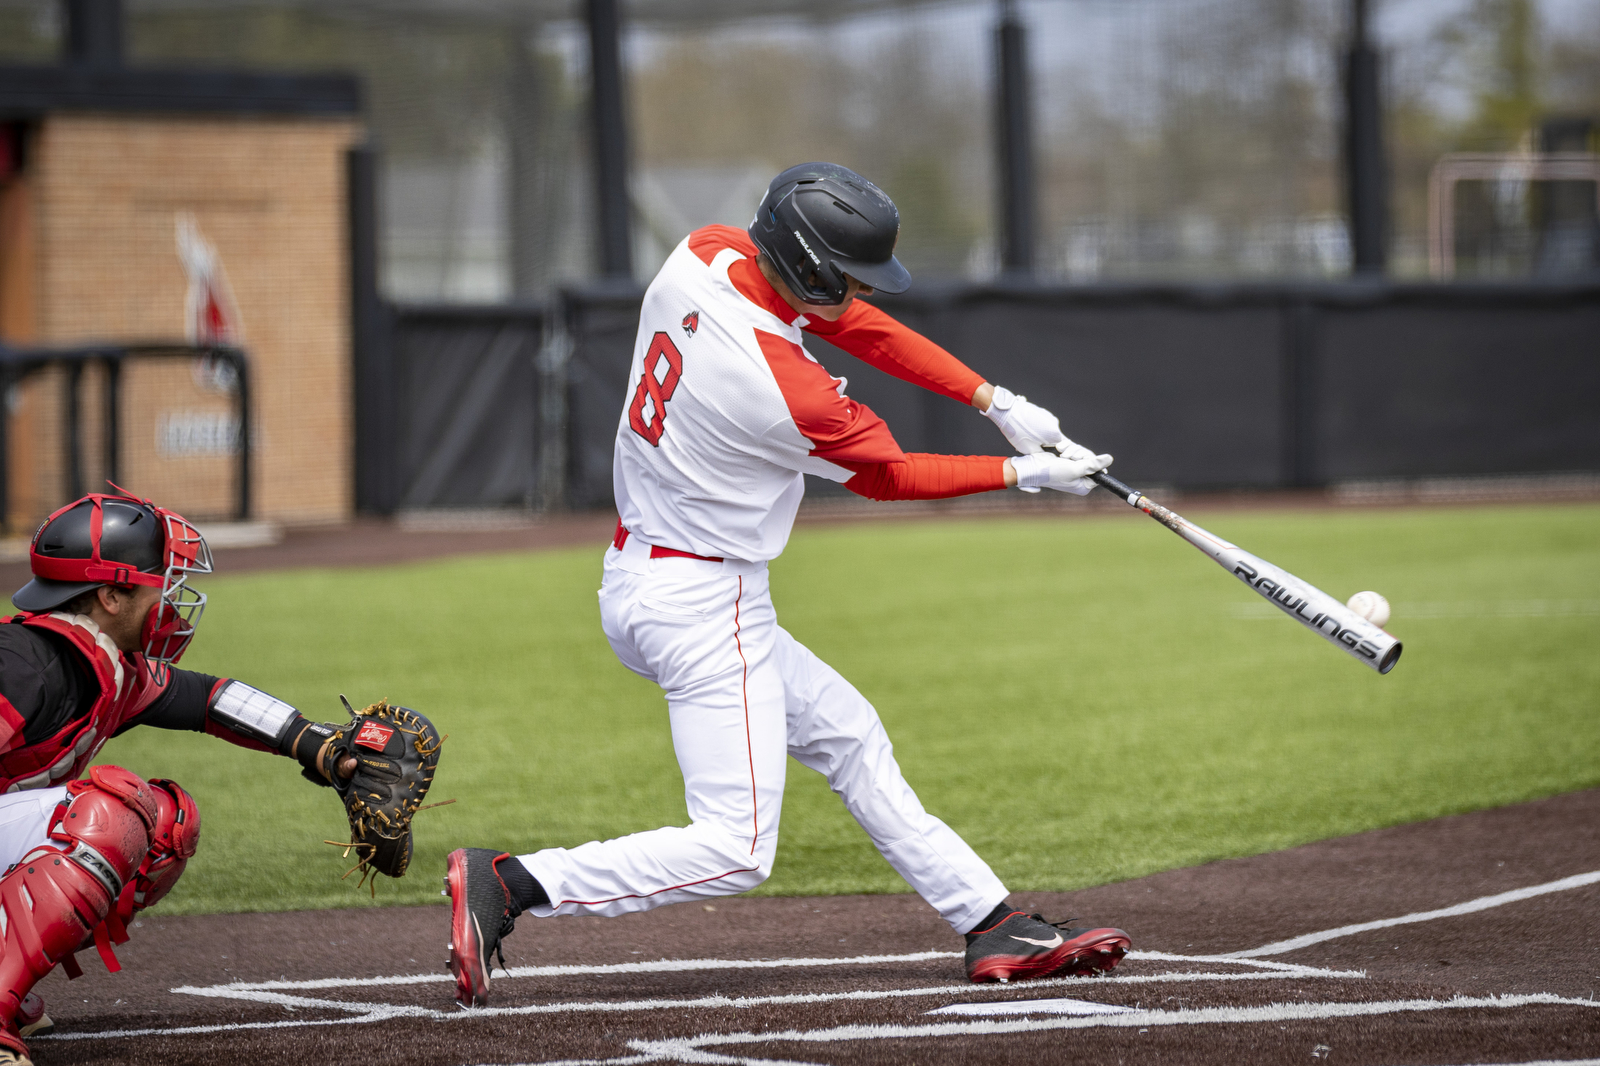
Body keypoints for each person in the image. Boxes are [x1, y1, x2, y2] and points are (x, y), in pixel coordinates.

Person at [446, 162, 1131, 1007]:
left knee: (849, 734)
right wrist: (1021, 473)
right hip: (704, 603)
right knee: (736, 847)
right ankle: (512, 882)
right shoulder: (780, 390)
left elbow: (858, 326)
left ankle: (992, 922)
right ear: (806, 265)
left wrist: (992, 397)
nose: (853, 291)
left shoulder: (704, 254)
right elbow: (889, 473)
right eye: (843, 274)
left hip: (649, 573)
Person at [0, 491, 406, 1066]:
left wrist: (317, 745)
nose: (173, 597)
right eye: (158, 581)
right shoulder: (22, 663)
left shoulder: (104, 666)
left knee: (167, 826)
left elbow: (207, 699)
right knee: (111, 813)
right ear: (112, 595)